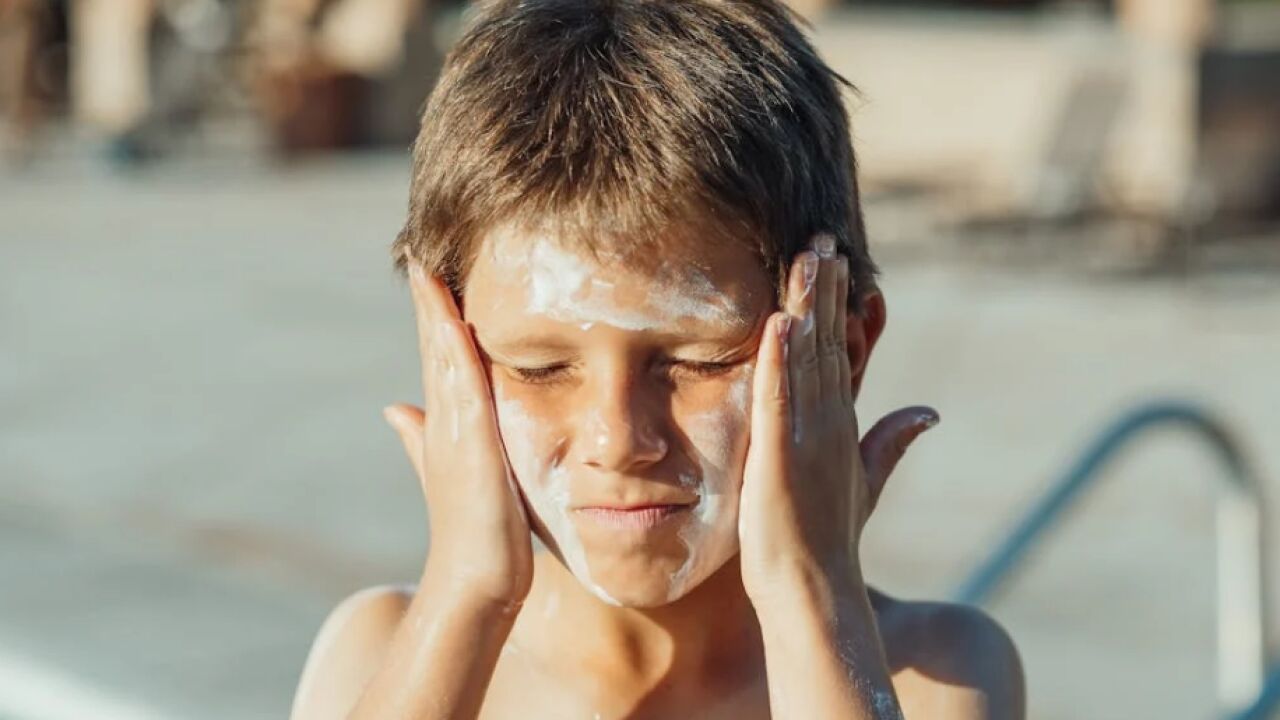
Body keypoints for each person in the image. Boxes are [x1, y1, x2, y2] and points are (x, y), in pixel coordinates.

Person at [290, 1, 1026, 718]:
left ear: (844, 350)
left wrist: (809, 590)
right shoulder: (382, 654)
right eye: (540, 369)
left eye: (699, 361)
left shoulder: (938, 673)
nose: (618, 440)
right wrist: (468, 594)